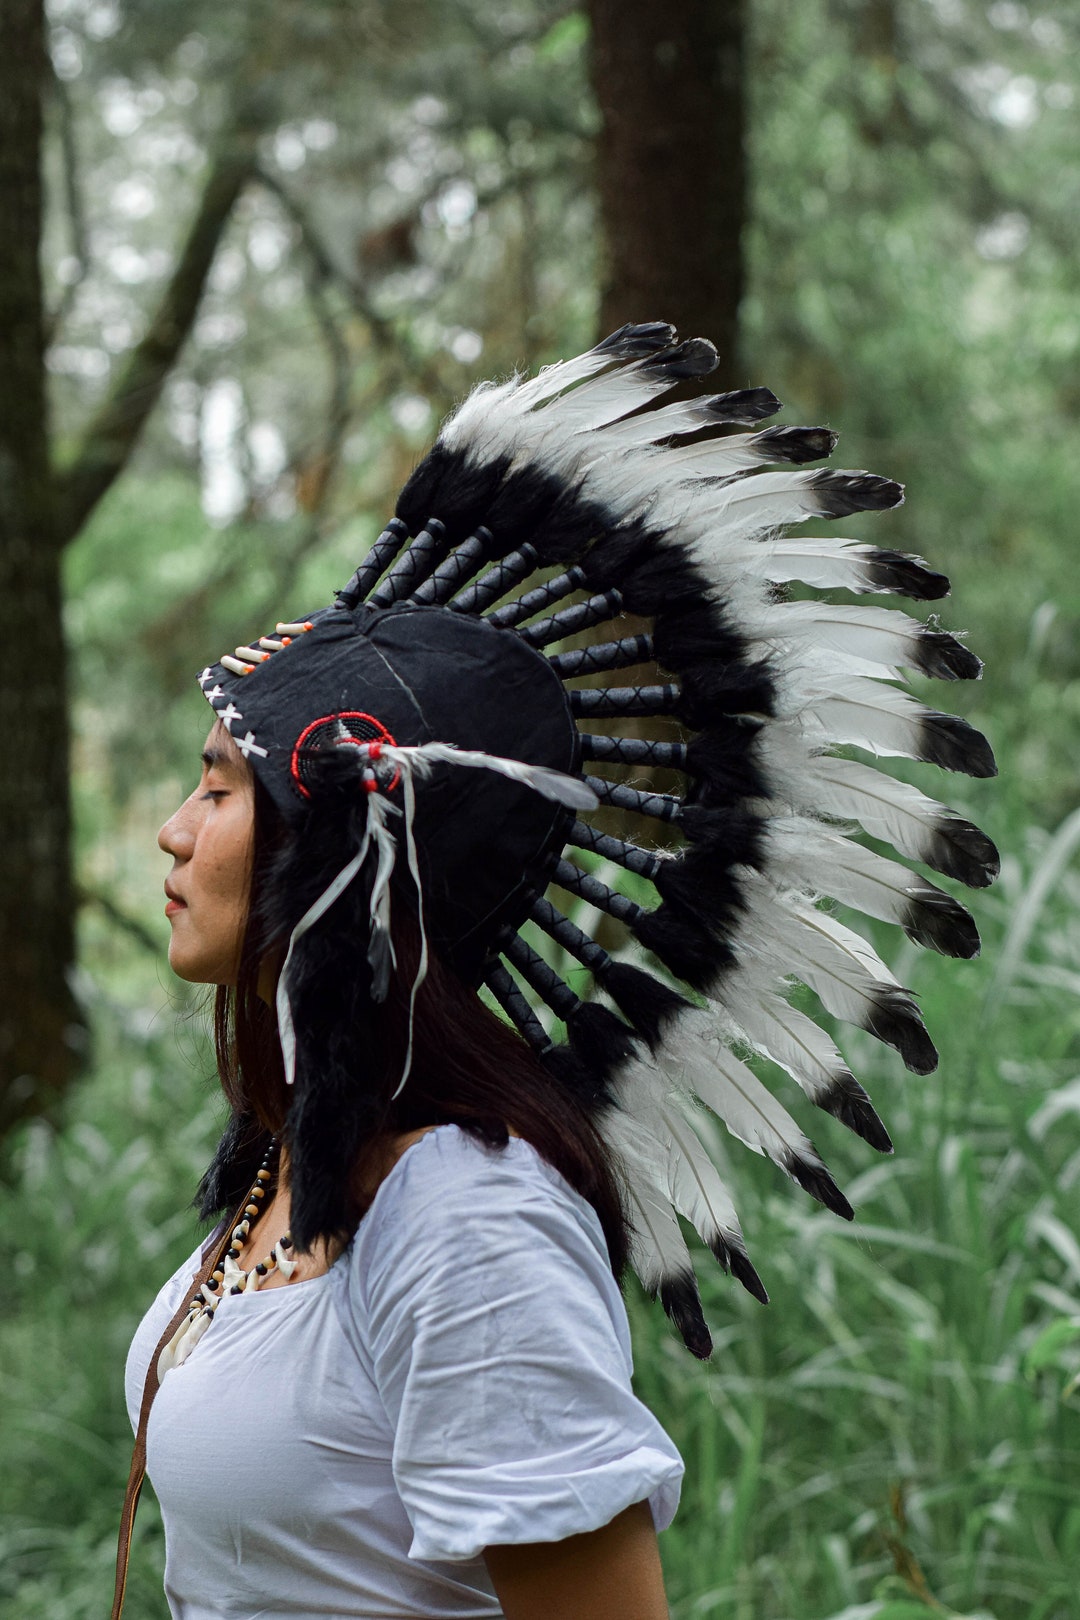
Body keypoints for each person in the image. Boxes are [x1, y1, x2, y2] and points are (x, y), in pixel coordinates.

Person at [118, 322, 996, 1620]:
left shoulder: (464, 1225)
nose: (175, 831)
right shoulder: (304, 1154)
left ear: (342, 851)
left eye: (218, 785)